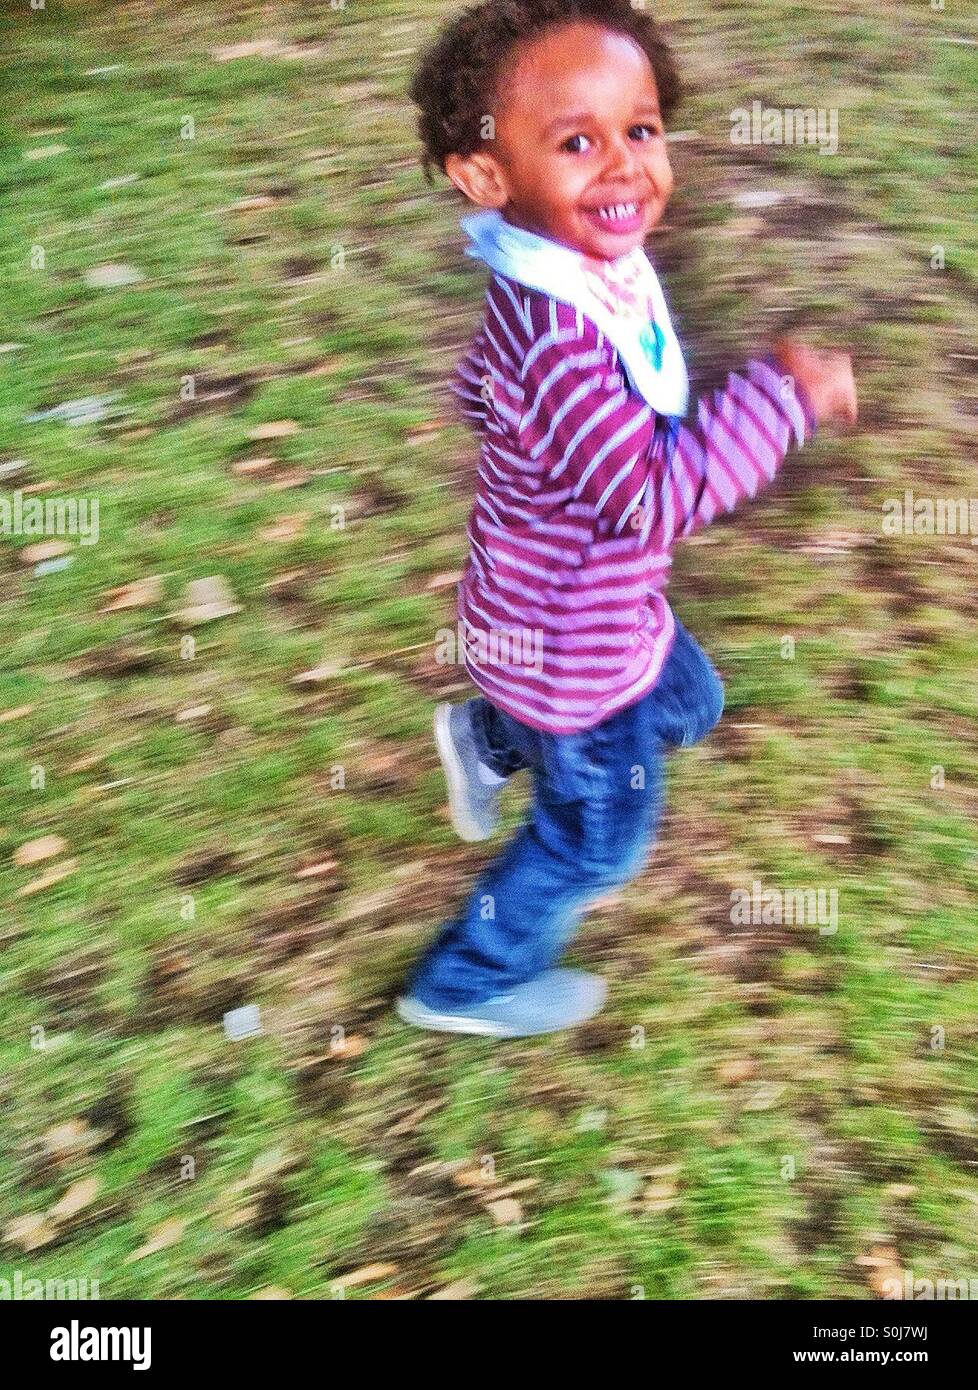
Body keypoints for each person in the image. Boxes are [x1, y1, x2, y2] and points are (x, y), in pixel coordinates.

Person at [397, 0, 857, 1037]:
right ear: (486, 175)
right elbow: (651, 497)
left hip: (553, 607)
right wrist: (783, 400)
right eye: (575, 141)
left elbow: (489, 386)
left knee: (691, 700)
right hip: (572, 648)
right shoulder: (560, 332)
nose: (622, 166)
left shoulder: (562, 266)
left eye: (640, 130)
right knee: (596, 840)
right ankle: (466, 982)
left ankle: (488, 736)